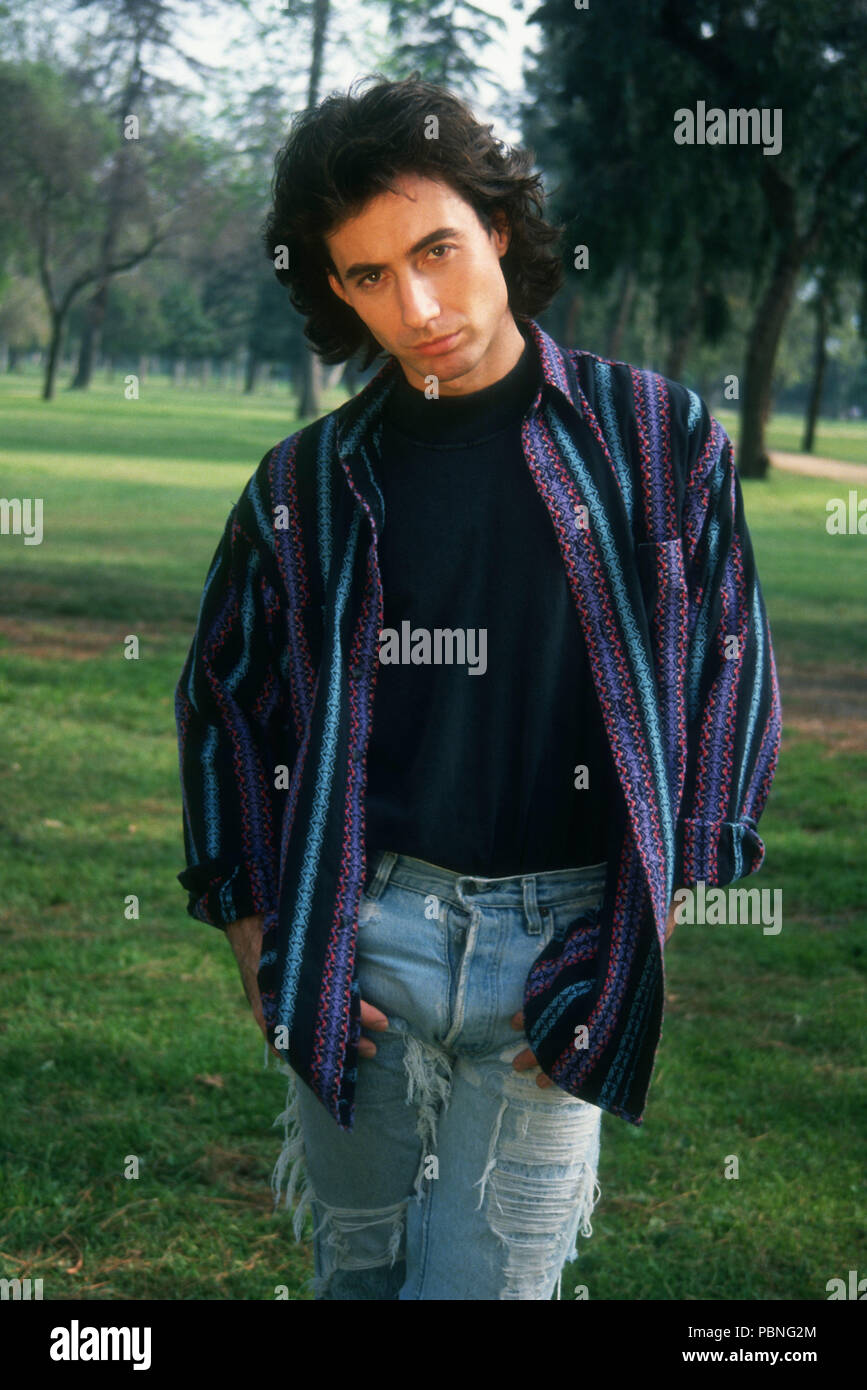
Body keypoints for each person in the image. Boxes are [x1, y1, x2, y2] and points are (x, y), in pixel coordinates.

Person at [173, 74, 781, 1301]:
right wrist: (258, 928)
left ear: (497, 228)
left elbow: (729, 665)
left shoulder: (658, 437)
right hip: (357, 935)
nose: (419, 304)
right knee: (360, 1278)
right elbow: (226, 701)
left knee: (486, 1286)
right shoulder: (303, 483)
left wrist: (642, 934)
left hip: (564, 945)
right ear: (336, 292)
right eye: (369, 276)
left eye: (438, 249)